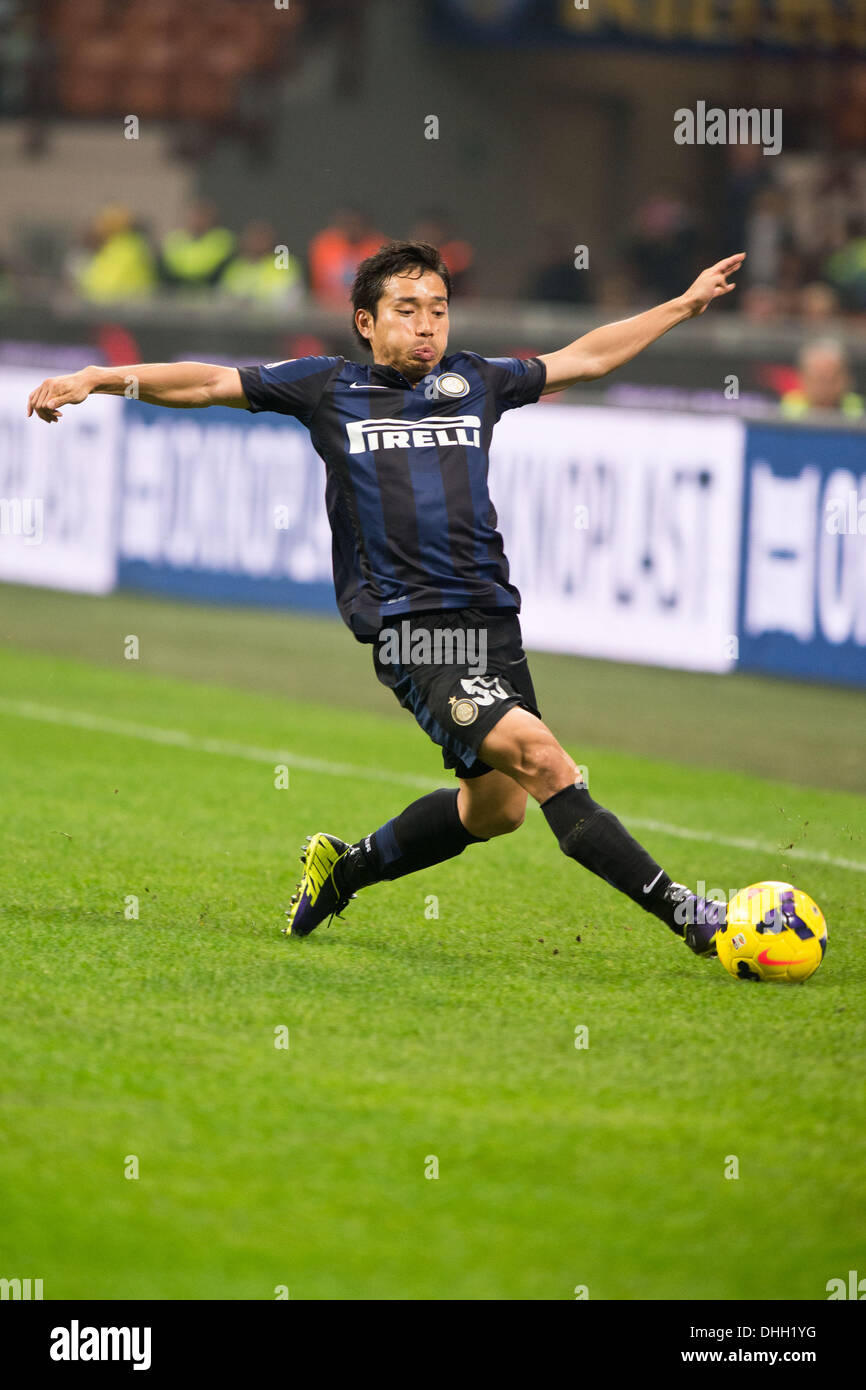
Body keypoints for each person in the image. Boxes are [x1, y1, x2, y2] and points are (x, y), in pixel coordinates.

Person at [26, 240, 746, 958]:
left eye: (439, 309)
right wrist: (101, 377)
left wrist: (683, 305)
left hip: (493, 622)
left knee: (497, 810)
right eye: (407, 309)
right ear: (366, 321)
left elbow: (585, 358)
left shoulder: (477, 381)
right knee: (547, 761)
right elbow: (207, 383)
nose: (428, 324)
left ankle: (345, 868)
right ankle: (694, 920)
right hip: (415, 631)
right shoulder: (326, 388)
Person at [307, 206, 385, 308]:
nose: (351, 229)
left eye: (355, 224)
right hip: (327, 309)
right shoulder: (324, 246)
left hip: (366, 306)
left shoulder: (378, 247)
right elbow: (316, 284)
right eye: (346, 224)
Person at [219, 220, 304, 305]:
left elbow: (291, 300)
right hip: (237, 317)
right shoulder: (236, 266)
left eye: (261, 237)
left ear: (272, 240)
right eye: (252, 237)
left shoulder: (284, 263)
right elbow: (224, 297)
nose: (256, 242)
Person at [160, 199, 236, 290]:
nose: (197, 220)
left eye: (202, 217)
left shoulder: (222, 240)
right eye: (194, 216)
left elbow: (220, 270)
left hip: (209, 295)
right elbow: (167, 269)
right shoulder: (176, 239)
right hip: (177, 295)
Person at [780, 339, 864, 419]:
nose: (825, 387)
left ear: (846, 379)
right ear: (802, 378)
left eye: (832, 380)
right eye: (819, 379)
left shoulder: (860, 411)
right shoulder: (784, 411)